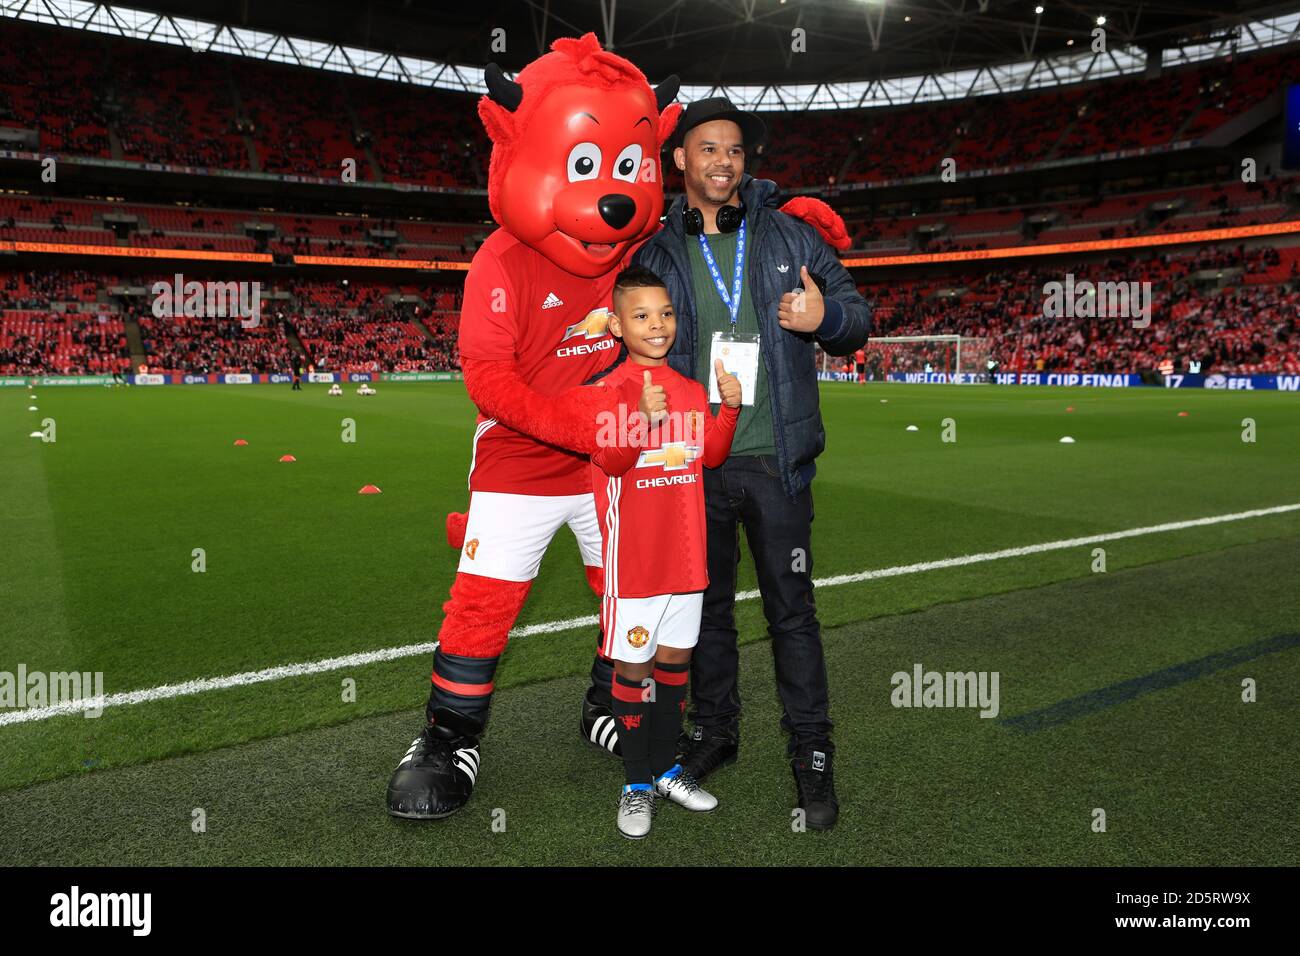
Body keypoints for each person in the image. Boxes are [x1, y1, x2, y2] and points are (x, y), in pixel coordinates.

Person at [632, 96, 871, 830]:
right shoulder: (656, 253)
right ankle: (715, 732)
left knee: (792, 612)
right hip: (693, 463)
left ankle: (812, 751)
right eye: (707, 148)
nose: (722, 161)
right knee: (704, 613)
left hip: (775, 463)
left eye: (733, 149)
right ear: (681, 159)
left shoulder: (793, 237)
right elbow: (631, 342)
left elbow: (857, 315)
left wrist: (824, 318)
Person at [588, 266, 740, 838]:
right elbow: (608, 463)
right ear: (619, 326)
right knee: (634, 670)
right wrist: (639, 421)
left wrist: (728, 408)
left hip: (686, 561)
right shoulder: (606, 391)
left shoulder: (688, 388)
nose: (658, 326)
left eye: (666, 314)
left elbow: (712, 456)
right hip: (636, 566)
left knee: (675, 667)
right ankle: (634, 782)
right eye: (643, 316)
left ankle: (668, 769)